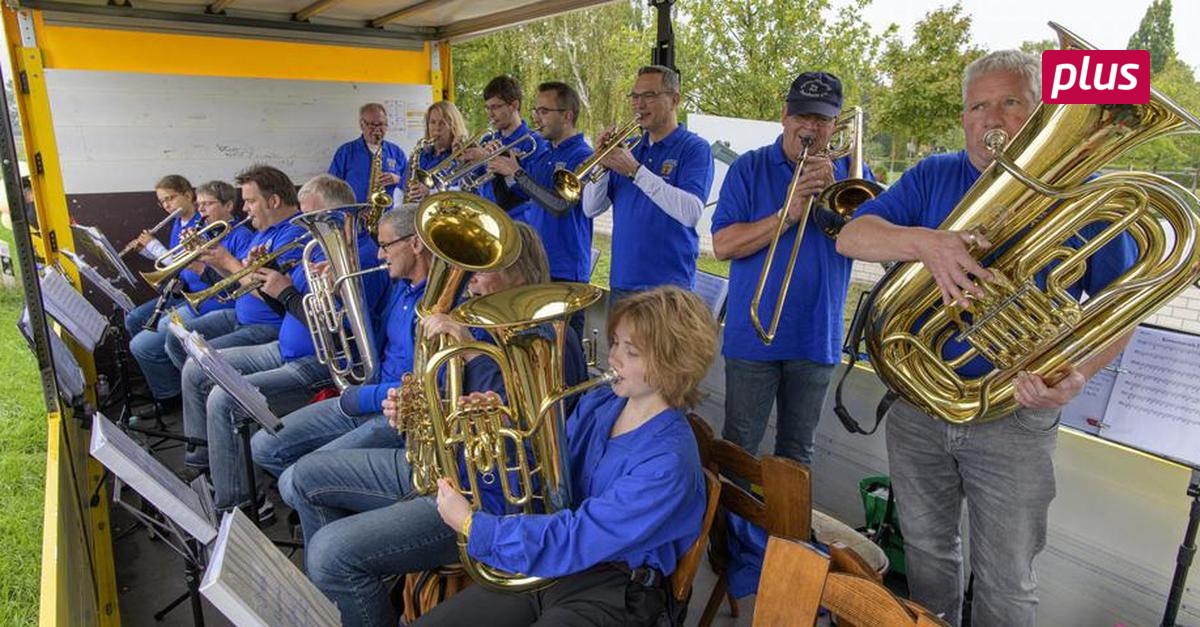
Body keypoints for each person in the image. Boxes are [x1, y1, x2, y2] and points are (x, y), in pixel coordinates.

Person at [836, 50, 1137, 627]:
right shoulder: (934, 175)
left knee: (1008, 579)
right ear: (964, 117)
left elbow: (1120, 310)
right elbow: (852, 236)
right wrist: (927, 243)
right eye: (978, 106)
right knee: (926, 556)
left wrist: (1080, 375)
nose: (992, 118)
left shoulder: (1088, 193)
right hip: (921, 406)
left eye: (1009, 102)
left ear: (1040, 111)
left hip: (1016, 417)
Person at [285, 224, 587, 627]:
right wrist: (410, 407)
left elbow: (516, 426)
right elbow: (449, 399)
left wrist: (468, 356)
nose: (470, 281)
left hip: (487, 501)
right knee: (305, 475)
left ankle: (351, 585)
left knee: (330, 553)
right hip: (441, 471)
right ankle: (349, 599)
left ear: (519, 270)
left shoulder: (549, 336)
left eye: (481, 271)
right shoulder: (478, 324)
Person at [413, 286, 717, 627]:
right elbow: (545, 482)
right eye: (615, 342)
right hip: (560, 562)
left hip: (616, 590)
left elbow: (582, 535)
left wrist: (475, 526)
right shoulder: (601, 403)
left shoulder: (668, 462)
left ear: (673, 365)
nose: (613, 357)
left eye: (630, 352)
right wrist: (495, 436)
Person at [712, 71, 874, 467]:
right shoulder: (748, 168)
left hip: (816, 337)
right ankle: (733, 529)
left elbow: (869, 244)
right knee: (739, 447)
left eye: (821, 119)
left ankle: (786, 530)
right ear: (784, 115)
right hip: (753, 337)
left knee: (798, 456)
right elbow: (723, 245)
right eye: (802, 116)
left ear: (835, 125)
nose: (809, 128)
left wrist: (835, 194)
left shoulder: (854, 175)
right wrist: (788, 213)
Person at [250, 203, 430, 478]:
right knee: (263, 446)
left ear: (415, 244)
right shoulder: (401, 286)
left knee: (297, 476)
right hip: (368, 392)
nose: (381, 254)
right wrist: (338, 292)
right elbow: (364, 336)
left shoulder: (433, 300)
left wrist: (361, 395)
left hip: (396, 411)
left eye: (386, 245)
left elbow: (427, 385)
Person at [582, 65, 714, 306]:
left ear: (674, 100)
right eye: (635, 96)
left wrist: (635, 171)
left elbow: (691, 212)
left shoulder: (694, 148)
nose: (639, 104)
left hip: (669, 289)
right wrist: (600, 162)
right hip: (623, 283)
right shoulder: (630, 147)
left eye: (649, 96)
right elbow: (591, 208)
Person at [129, 180, 253, 415]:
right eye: (200, 204)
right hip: (195, 299)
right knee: (147, 330)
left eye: (208, 204)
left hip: (218, 305)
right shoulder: (205, 231)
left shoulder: (240, 236)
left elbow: (235, 286)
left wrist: (198, 266)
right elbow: (188, 268)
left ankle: (182, 396)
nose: (202, 210)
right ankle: (183, 394)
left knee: (155, 340)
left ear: (228, 206)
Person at [489, 81, 594, 338]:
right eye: (536, 111)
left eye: (544, 112)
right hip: (536, 265)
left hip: (565, 268)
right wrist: (496, 169)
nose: (536, 117)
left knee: (563, 351)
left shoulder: (583, 154)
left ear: (567, 116)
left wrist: (518, 173)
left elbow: (559, 205)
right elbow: (509, 201)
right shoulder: (544, 153)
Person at [123, 174, 203, 337]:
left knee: (138, 321)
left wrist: (153, 244)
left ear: (188, 195)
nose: (167, 205)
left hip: (192, 290)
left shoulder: (200, 222)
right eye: (162, 201)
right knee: (133, 319)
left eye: (170, 198)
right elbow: (170, 259)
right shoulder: (178, 221)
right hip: (178, 289)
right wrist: (145, 250)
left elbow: (182, 262)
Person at [460, 75, 546, 208]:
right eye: (487, 108)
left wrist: (492, 160)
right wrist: (468, 161)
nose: (490, 114)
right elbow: (474, 184)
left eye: (495, 107)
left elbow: (529, 194)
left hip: (518, 220)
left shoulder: (534, 142)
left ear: (514, 106)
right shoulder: (487, 140)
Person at [328, 103, 406, 205]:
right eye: (372, 124)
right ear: (362, 125)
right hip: (355, 214)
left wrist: (398, 179)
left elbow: (411, 184)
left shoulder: (397, 152)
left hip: (389, 215)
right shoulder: (345, 152)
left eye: (381, 124)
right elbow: (332, 187)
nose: (377, 129)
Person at [406, 101, 469, 202]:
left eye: (442, 123)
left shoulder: (463, 155)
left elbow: (465, 192)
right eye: (433, 122)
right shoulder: (420, 153)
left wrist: (431, 193)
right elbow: (401, 188)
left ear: (453, 126)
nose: (436, 129)